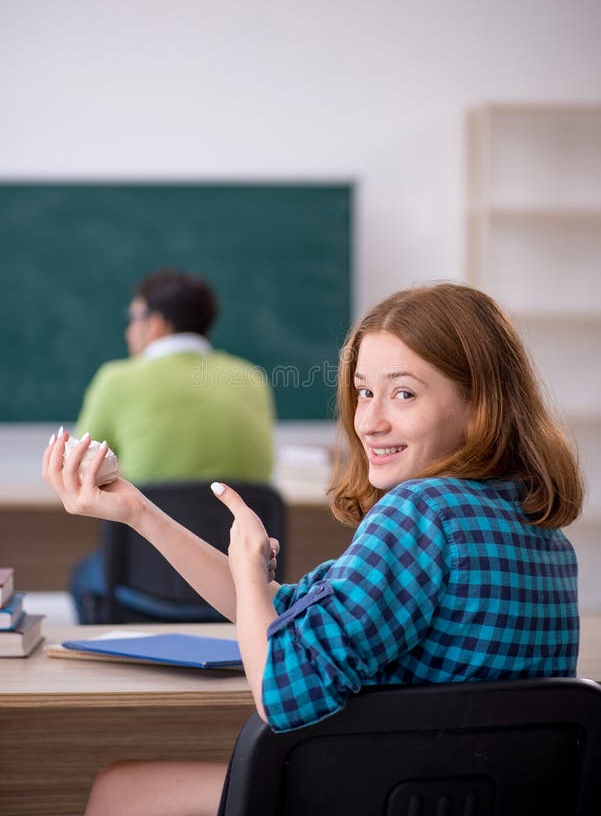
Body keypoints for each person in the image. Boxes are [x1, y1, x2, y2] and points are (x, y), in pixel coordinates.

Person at [43, 282, 582, 816]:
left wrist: (249, 574)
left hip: (382, 794)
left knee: (119, 788)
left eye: (404, 394)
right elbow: (278, 614)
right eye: (364, 392)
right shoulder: (544, 535)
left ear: (479, 402)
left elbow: (282, 692)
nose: (369, 421)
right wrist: (140, 512)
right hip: (466, 797)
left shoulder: (419, 512)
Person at [69, 268, 276, 622]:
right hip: (240, 586)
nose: (128, 330)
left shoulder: (116, 380)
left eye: (133, 317)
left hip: (144, 578)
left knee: (82, 576)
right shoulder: (250, 379)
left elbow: (78, 467)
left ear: (156, 323)